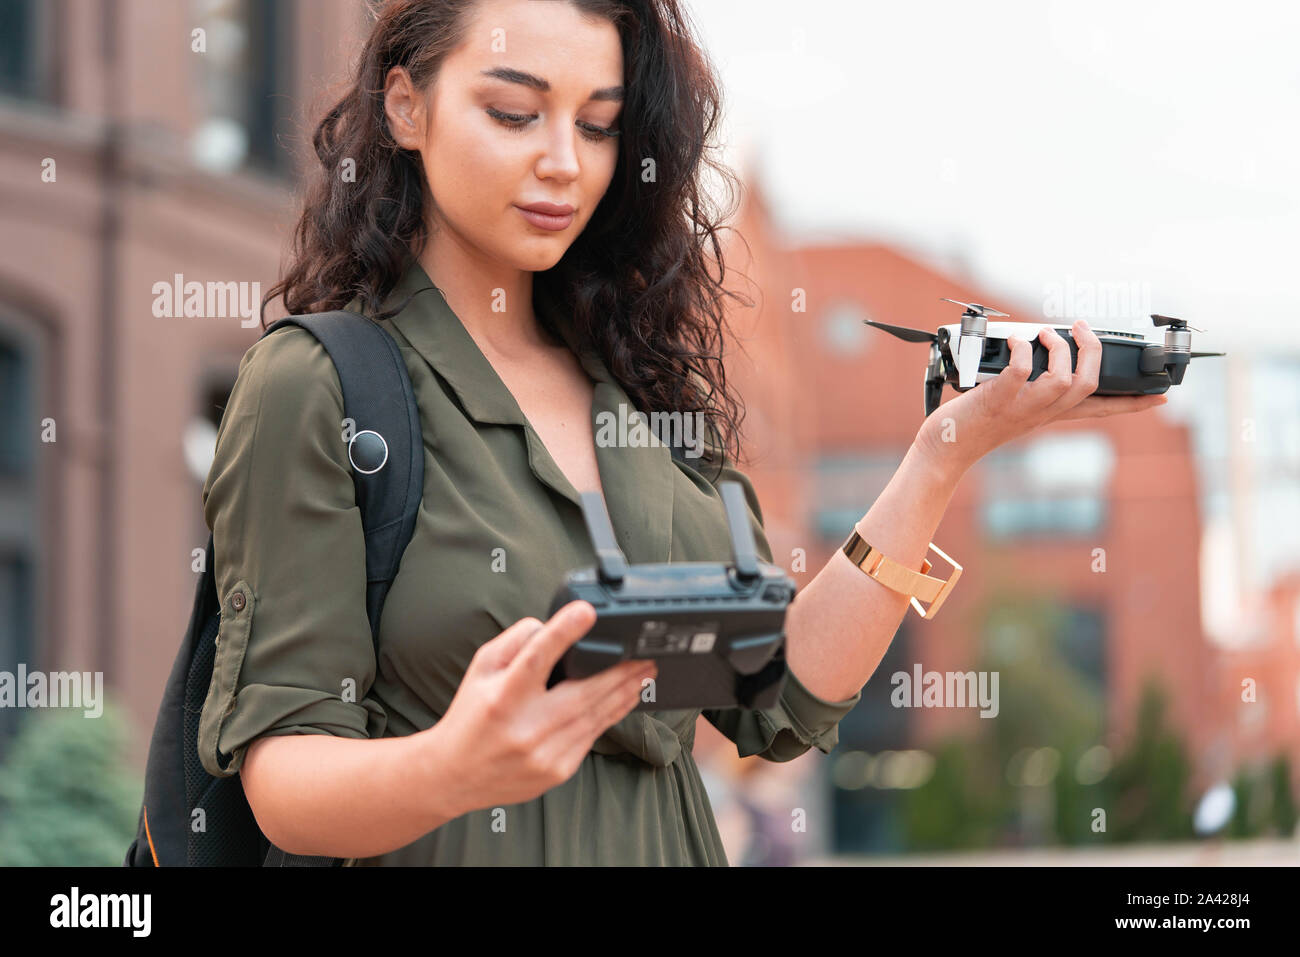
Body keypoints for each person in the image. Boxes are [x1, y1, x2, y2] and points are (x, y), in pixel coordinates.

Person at [197, 0, 1169, 866]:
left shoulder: (635, 392)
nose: (562, 162)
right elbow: (283, 785)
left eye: (599, 125)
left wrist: (943, 453)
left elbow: (778, 698)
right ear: (406, 106)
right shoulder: (320, 385)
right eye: (512, 112)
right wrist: (454, 767)